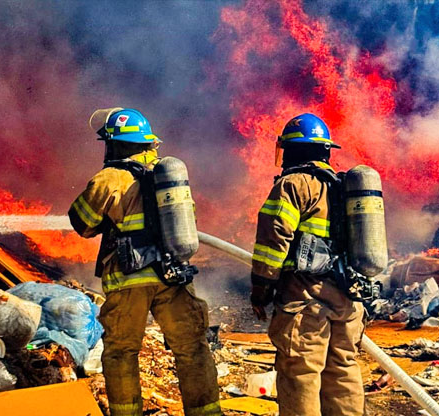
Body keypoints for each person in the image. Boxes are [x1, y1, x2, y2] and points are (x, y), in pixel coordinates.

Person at [70, 108, 221, 416]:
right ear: (148, 143)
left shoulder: (109, 178)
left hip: (129, 281)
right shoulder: (169, 176)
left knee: (121, 354)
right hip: (173, 277)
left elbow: (82, 223)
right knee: (192, 350)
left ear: (114, 144)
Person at [250, 113, 366, 415]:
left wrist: (261, 287)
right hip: (347, 298)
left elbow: (273, 240)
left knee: (300, 372)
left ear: (292, 150)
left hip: (306, 300)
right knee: (343, 372)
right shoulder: (345, 188)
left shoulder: (294, 185)